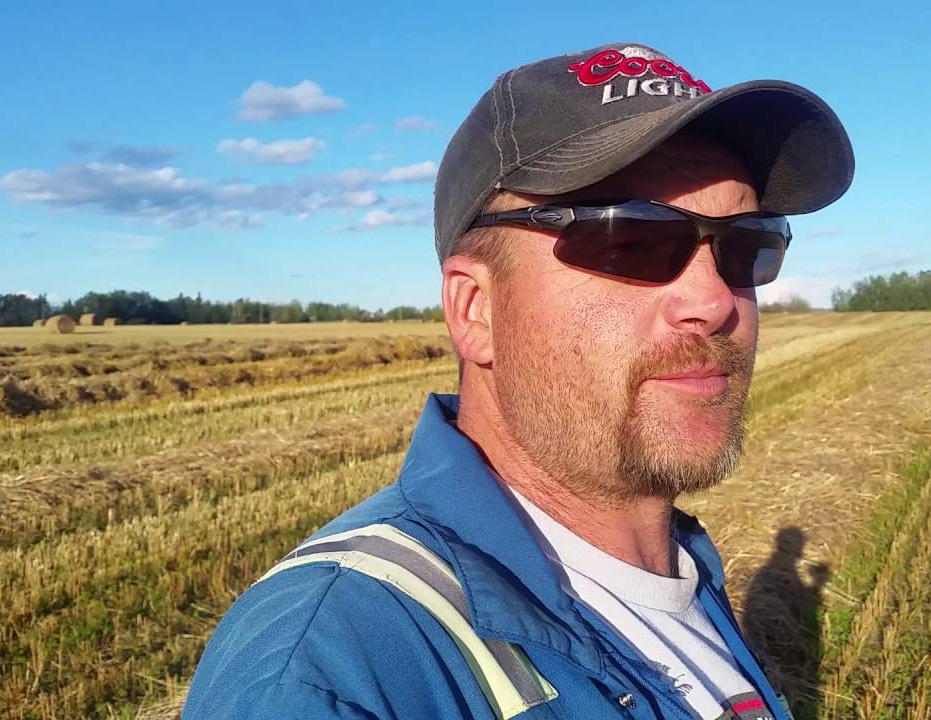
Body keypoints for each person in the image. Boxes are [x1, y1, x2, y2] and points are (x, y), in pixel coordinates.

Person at [184, 42, 852, 720]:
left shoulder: (680, 570)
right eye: (632, 240)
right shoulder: (330, 671)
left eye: (748, 246)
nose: (714, 302)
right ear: (476, 309)